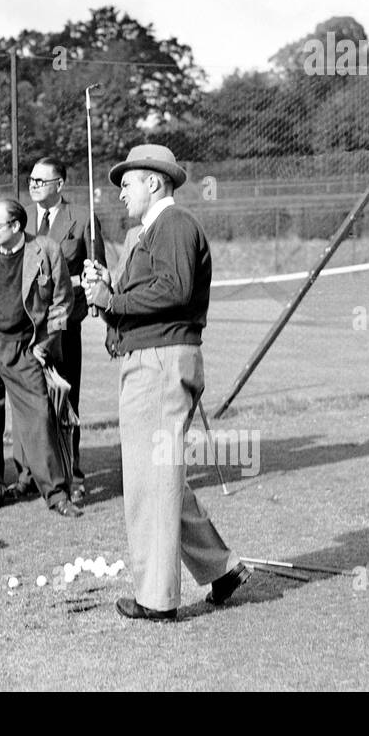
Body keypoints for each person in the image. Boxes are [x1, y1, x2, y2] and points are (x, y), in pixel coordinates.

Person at [84, 145, 248, 620]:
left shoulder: (174, 225)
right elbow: (146, 294)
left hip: (159, 363)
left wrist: (112, 302)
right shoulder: (149, 232)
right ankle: (222, 569)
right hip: (151, 360)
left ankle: (156, 600)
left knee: (150, 482)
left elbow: (173, 290)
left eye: (127, 184)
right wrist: (105, 292)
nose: (120, 194)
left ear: (154, 182)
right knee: (159, 477)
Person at [0, 198, 80, 517]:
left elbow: (62, 304)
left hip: (26, 347)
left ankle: (56, 494)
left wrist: (46, 342)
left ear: (15, 227)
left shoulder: (46, 250)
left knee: (39, 416)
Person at [12, 156, 106, 504]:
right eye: (31, 180)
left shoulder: (81, 219)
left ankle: (72, 476)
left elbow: (96, 272)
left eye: (41, 180)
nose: (33, 185)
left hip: (64, 325)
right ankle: (28, 475)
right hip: (23, 327)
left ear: (59, 185)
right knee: (26, 402)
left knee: (64, 400)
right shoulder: (19, 220)